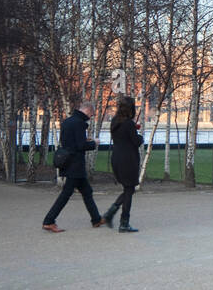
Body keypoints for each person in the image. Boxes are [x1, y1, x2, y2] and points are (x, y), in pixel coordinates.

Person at [42, 100, 104, 232]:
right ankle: (49, 221)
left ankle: (96, 219)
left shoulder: (68, 121)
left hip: (68, 162)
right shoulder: (80, 123)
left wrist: (84, 140)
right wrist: (94, 142)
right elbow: (81, 146)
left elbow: (69, 141)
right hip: (75, 165)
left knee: (87, 191)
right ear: (87, 111)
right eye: (91, 114)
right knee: (66, 194)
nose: (91, 117)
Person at [101, 95, 144, 233]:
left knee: (128, 190)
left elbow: (124, 136)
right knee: (129, 190)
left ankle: (112, 215)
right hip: (128, 160)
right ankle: (121, 221)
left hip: (117, 158)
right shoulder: (129, 124)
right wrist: (140, 135)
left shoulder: (115, 121)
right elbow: (136, 141)